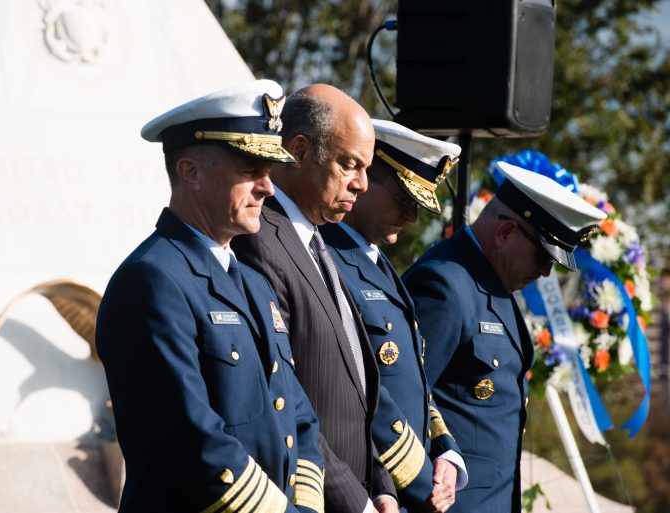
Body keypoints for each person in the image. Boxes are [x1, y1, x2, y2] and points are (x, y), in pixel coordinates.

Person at [96, 79, 324, 513]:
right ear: (191, 172)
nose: (268, 188)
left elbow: (299, 416)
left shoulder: (252, 282)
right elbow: (191, 441)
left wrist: (307, 507)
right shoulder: (151, 282)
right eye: (250, 170)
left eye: (268, 171)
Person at [401, 161, 607, 513]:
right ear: (505, 233)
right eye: (544, 255)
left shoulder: (490, 282)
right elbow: (402, 401)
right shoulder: (446, 284)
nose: (545, 272)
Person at [232, 84, 399, 513]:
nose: (362, 184)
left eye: (365, 168)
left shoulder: (317, 241)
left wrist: (381, 485)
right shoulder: (261, 242)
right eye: (349, 165)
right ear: (301, 151)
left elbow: (360, 389)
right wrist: (353, 500)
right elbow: (288, 394)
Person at [319, 119, 467, 513]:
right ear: (365, 178)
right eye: (405, 200)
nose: (413, 218)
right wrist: (420, 478)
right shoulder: (328, 262)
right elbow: (359, 387)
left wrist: (445, 450)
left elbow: (413, 378)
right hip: (366, 489)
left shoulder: (377, 263)